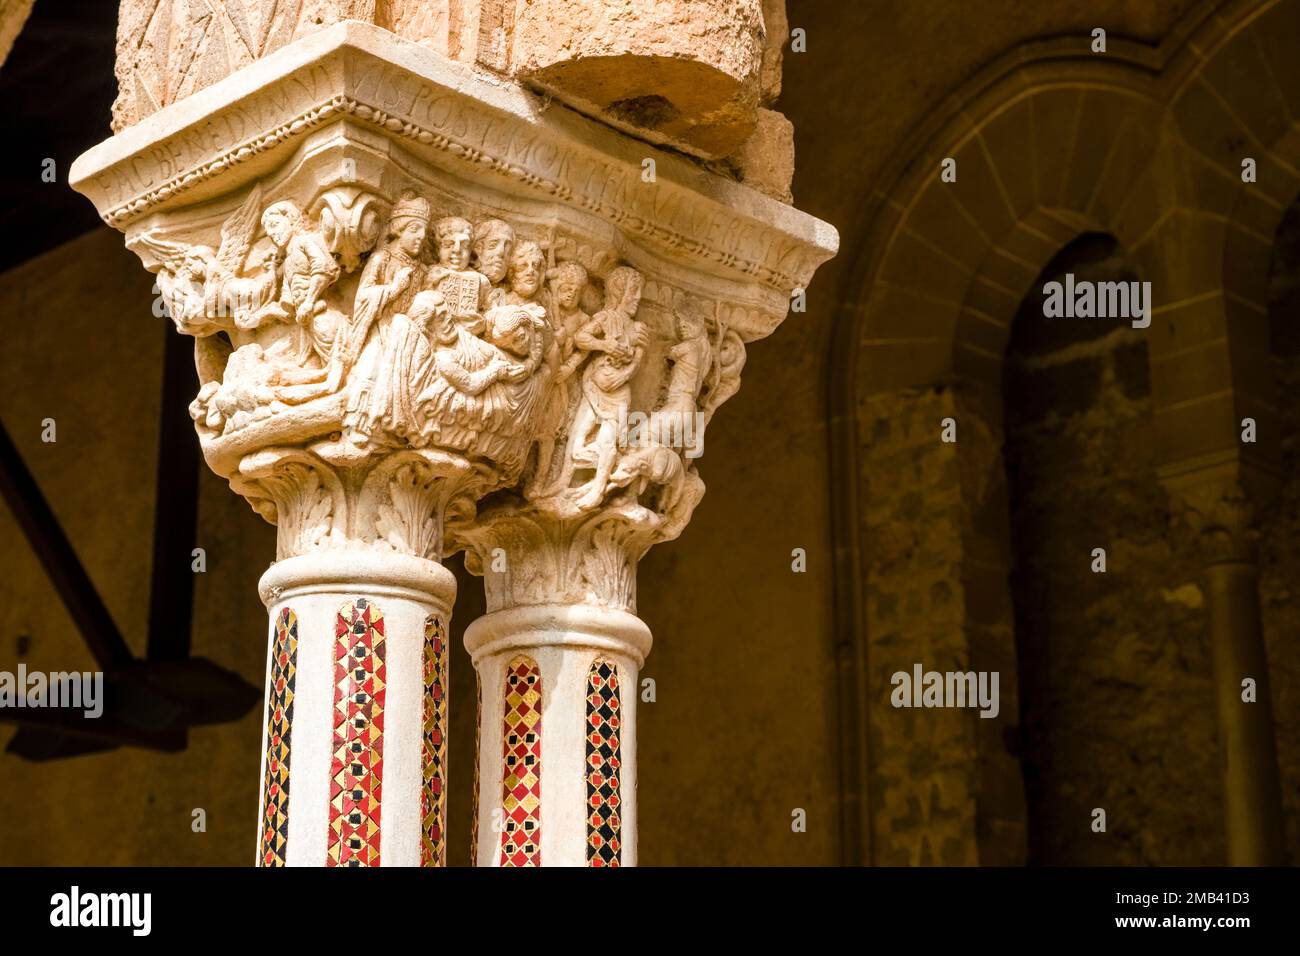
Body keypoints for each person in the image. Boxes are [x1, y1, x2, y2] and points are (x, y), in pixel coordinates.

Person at [340, 191, 430, 444]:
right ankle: (355, 426)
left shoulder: (421, 270)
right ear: (399, 229)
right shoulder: (382, 258)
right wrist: (393, 289)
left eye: (423, 232)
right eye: (414, 229)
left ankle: (398, 426)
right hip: (382, 328)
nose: (420, 237)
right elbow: (363, 296)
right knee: (371, 367)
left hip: (409, 333)